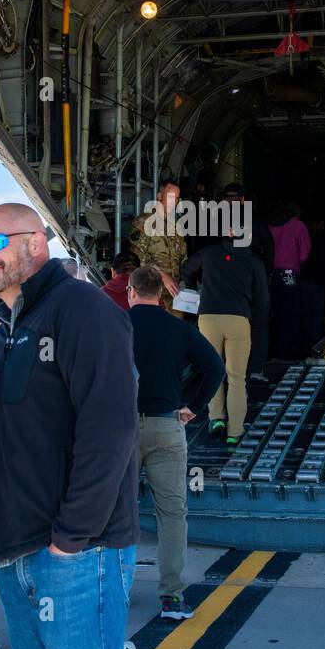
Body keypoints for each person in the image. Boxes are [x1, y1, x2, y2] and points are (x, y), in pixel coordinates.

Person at [0, 203, 139, 649]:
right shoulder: (6, 330)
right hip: (15, 549)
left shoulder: (82, 308)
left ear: (36, 243)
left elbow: (110, 430)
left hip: (77, 555)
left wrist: (70, 539)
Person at [126, 265, 224, 621]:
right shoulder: (179, 328)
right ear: (162, 295)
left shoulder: (116, 326)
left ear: (132, 292)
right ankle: (172, 598)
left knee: (117, 513)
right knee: (171, 515)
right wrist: (193, 405)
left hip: (120, 430)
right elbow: (215, 368)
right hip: (167, 426)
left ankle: (118, 589)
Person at [182, 216, 270, 444]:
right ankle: (235, 432)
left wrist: (193, 292)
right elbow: (263, 298)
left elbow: (187, 269)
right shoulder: (253, 260)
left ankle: (216, 418)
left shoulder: (209, 253)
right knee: (237, 377)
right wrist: (258, 321)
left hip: (208, 318)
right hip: (239, 319)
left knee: (213, 370)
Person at [222, 182, 275, 379]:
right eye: (227, 196)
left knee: (246, 322)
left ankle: (241, 368)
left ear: (243, 199)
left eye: (233, 196)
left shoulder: (217, 220)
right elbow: (269, 246)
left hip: (236, 278)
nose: (230, 200)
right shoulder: (253, 220)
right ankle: (253, 368)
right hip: (244, 277)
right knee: (256, 323)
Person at [129, 181, 188, 314]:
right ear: (159, 196)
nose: (174, 202)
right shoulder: (144, 222)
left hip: (175, 299)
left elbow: (183, 259)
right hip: (152, 296)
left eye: (177, 198)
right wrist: (162, 276)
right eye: (170, 197)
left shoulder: (176, 226)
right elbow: (136, 260)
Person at [267, 199, 312, 359]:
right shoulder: (298, 225)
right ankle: (287, 349)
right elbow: (305, 252)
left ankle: (272, 348)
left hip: (271, 271)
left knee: (273, 310)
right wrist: (297, 261)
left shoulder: (270, 223)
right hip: (290, 272)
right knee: (290, 310)